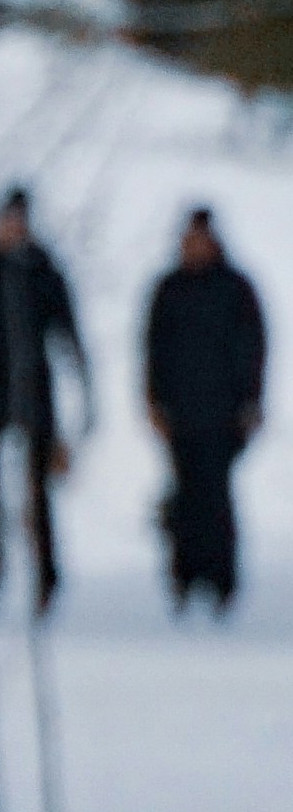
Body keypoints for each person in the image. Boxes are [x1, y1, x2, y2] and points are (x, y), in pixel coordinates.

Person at [0, 187, 90, 609]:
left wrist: (83, 398)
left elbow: (67, 333)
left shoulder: (43, 270)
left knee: (38, 492)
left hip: (35, 393)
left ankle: (46, 578)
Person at [144, 205, 267, 615]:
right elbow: (153, 351)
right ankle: (183, 578)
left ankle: (222, 582)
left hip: (223, 418)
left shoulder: (235, 289)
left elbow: (253, 350)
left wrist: (251, 403)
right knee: (184, 501)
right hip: (180, 416)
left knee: (216, 500)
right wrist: (153, 402)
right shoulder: (169, 290)